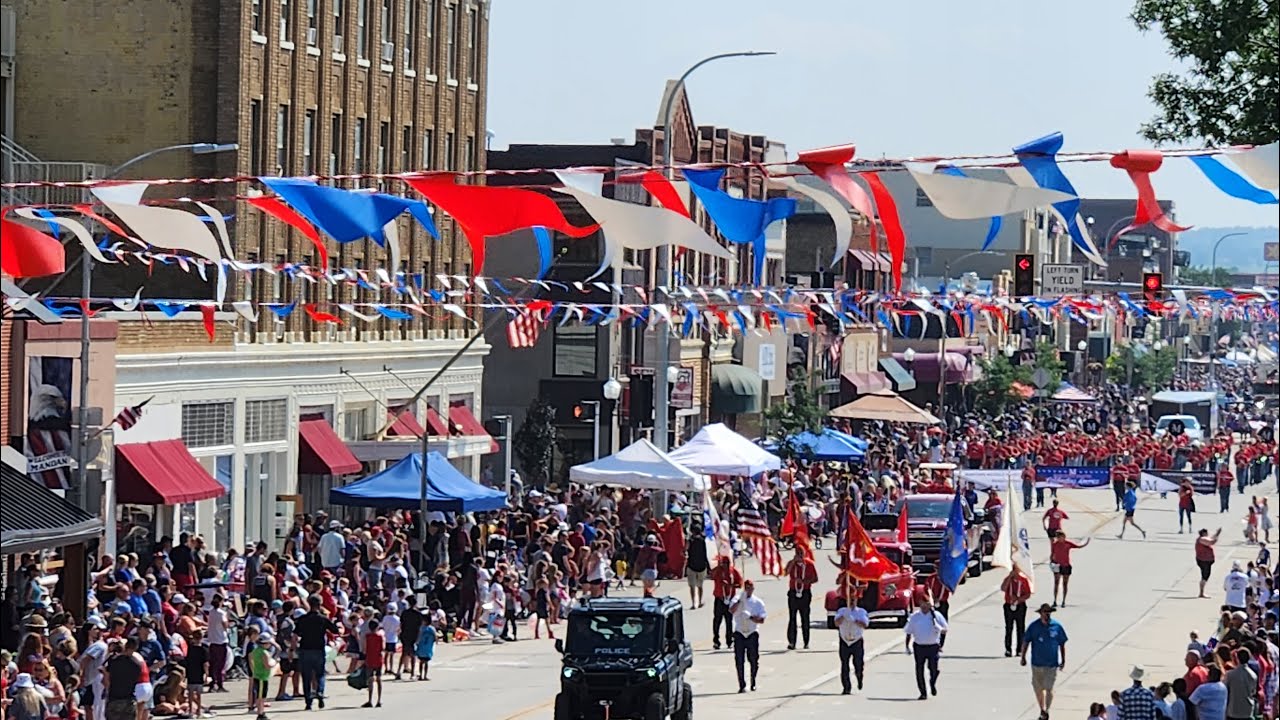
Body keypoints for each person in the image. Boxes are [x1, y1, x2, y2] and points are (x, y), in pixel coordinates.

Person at [1020, 603, 1067, 720]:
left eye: (1049, 612)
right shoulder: (1034, 627)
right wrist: (1023, 656)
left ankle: (1046, 710)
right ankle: (1042, 709)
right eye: (1045, 612)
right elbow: (1026, 641)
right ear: (1040, 613)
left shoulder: (1057, 626)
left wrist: (1063, 659)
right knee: (1038, 688)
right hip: (1037, 663)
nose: (1047, 614)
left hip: (1051, 664)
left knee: (1049, 688)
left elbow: (1062, 643)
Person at [294, 595, 340, 710]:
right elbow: (335, 630)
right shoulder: (323, 619)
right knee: (320, 674)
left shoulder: (302, 619)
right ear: (320, 604)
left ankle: (308, 702)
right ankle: (319, 692)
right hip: (319, 649)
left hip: (305, 649)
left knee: (306, 676)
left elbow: (295, 634)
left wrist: (294, 648)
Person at [904, 595, 947, 701]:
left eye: (927, 603)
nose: (924, 606)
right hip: (919, 646)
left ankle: (932, 683)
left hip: (933, 646)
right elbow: (908, 632)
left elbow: (945, 629)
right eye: (922, 603)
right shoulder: (915, 616)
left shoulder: (936, 615)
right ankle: (923, 692)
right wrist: (907, 646)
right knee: (919, 670)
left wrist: (939, 629)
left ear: (930, 604)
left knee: (933, 669)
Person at [728, 579, 766, 693]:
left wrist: (751, 617)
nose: (749, 590)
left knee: (753, 659)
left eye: (751, 588)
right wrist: (740, 601)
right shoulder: (737, 599)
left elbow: (762, 619)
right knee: (739, 660)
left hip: (752, 632)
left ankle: (753, 681)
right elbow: (731, 610)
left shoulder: (758, 602)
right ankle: (742, 684)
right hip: (739, 632)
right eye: (747, 588)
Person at [834, 592, 869, 695]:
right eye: (850, 599)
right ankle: (846, 687)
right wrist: (844, 617)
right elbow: (836, 623)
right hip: (844, 640)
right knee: (844, 665)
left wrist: (855, 620)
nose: (852, 602)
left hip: (856, 640)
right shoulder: (842, 611)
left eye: (854, 600)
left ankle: (859, 677)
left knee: (858, 664)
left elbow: (865, 624)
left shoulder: (861, 612)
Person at [783, 549, 818, 651]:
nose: (799, 556)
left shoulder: (809, 564)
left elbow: (815, 579)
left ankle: (806, 641)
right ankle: (792, 642)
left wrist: (804, 581)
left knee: (805, 618)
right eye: (797, 553)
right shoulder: (792, 563)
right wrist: (793, 562)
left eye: (801, 554)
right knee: (792, 618)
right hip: (793, 592)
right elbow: (785, 573)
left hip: (805, 593)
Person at [1049, 531, 1089, 608]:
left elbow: (1078, 546)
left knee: (1065, 584)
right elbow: (1052, 554)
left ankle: (1063, 601)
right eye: (1058, 537)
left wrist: (1086, 543)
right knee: (1056, 583)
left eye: (1061, 537)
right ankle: (1055, 600)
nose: (1059, 539)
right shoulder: (1055, 544)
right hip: (1057, 565)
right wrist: (1051, 562)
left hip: (1066, 566)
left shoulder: (1068, 544)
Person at [709, 557, 742, 651]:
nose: (725, 565)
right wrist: (717, 568)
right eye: (723, 563)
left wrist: (730, 585)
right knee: (717, 620)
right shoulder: (718, 570)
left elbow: (739, 584)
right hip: (719, 598)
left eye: (727, 563)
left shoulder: (733, 571)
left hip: (730, 599)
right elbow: (711, 576)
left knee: (729, 621)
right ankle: (716, 640)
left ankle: (729, 640)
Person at [1001, 566, 1032, 657]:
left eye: (1016, 570)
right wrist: (1009, 577)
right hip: (1008, 605)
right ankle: (1008, 649)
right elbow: (1003, 588)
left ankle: (1019, 649)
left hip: (1020, 606)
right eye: (1013, 570)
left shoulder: (1023, 580)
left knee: (1020, 628)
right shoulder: (1008, 580)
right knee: (1009, 628)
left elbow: (1028, 594)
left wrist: (1019, 599)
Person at [247, 634, 276, 720]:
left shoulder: (256, 651)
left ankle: (261, 711)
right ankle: (260, 713)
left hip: (257, 675)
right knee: (261, 697)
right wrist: (274, 663)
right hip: (262, 677)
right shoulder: (264, 653)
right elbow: (267, 665)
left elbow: (250, 656)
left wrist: (253, 668)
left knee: (261, 696)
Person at [1223, 647, 1257, 720]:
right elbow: (1253, 691)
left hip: (1233, 710)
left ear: (1237, 658)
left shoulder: (1230, 674)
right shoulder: (1253, 675)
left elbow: (1225, 691)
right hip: (1247, 710)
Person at [181, 629, 207, 719]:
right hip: (199, 673)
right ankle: (199, 711)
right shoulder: (203, 649)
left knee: (191, 693)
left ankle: (191, 711)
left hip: (191, 672)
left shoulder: (190, 648)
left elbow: (187, 661)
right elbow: (205, 664)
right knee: (199, 694)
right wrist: (207, 675)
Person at [361, 619, 384, 708]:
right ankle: (379, 700)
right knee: (379, 679)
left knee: (370, 679)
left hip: (369, 659)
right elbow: (383, 648)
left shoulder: (367, 637)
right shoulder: (380, 636)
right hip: (378, 659)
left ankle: (370, 700)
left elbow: (364, 648)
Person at [684, 526, 709, 609]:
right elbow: (706, 552)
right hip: (702, 565)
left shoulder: (690, 540)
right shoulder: (703, 540)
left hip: (691, 565)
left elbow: (684, 550)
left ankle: (693, 603)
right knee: (700, 586)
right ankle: (700, 601)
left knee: (692, 586)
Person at [1196, 528, 1223, 598]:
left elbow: (1210, 538)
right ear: (1203, 534)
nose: (1208, 535)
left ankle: (1202, 592)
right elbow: (1212, 542)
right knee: (1205, 576)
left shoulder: (1203, 539)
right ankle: (1201, 593)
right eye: (1207, 533)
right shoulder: (1202, 539)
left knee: (1205, 576)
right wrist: (1217, 536)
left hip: (1206, 560)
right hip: (1204, 561)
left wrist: (1217, 533)